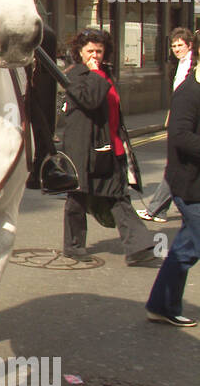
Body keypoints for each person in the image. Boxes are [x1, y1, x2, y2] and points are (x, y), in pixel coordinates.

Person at [57, 28, 157, 266]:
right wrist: (94, 73)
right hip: (83, 150)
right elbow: (90, 100)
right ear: (79, 52)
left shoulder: (106, 73)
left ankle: (139, 249)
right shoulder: (75, 76)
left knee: (118, 198)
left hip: (111, 148)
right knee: (78, 198)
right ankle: (73, 246)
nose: (95, 55)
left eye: (99, 51)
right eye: (90, 50)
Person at [145, 56, 200, 326]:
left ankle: (160, 305)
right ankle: (163, 305)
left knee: (187, 245)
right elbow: (180, 136)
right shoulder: (189, 93)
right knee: (189, 247)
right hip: (190, 184)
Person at [136, 28, 199, 220]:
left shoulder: (190, 66)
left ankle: (157, 208)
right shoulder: (182, 66)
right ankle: (159, 207)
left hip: (186, 121)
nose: (176, 49)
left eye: (180, 45)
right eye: (173, 45)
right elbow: (182, 96)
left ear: (190, 46)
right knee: (175, 165)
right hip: (183, 118)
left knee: (174, 166)